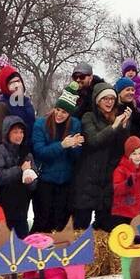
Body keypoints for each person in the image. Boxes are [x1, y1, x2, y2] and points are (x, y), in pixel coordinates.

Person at [72, 85, 129, 232]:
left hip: (107, 180)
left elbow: (121, 148)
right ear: (97, 101)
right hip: (88, 178)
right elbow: (94, 141)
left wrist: (123, 127)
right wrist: (114, 126)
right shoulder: (88, 117)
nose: (109, 102)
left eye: (112, 99)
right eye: (105, 99)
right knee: (80, 225)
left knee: (104, 227)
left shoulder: (116, 119)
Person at [30, 91, 84, 233]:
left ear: (70, 114)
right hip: (45, 179)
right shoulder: (41, 124)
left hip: (65, 181)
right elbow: (40, 151)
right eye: (58, 110)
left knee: (60, 222)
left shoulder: (75, 125)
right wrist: (62, 145)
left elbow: (76, 157)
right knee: (42, 220)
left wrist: (75, 146)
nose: (59, 114)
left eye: (64, 112)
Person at [0, 116, 36, 237]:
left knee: (22, 244)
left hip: (21, 210)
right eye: (15, 132)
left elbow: (34, 183)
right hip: (2, 210)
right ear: (7, 133)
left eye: (21, 132)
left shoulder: (27, 153)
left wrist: (30, 182)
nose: (19, 135)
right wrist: (19, 170)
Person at [111, 136, 140, 224]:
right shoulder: (121, 169)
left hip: (138, 212)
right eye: (134, 154)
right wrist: (127, 183)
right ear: (128, 154)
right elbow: (116, 189)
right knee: (124, 235)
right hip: (122, 213)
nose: (138, 157)